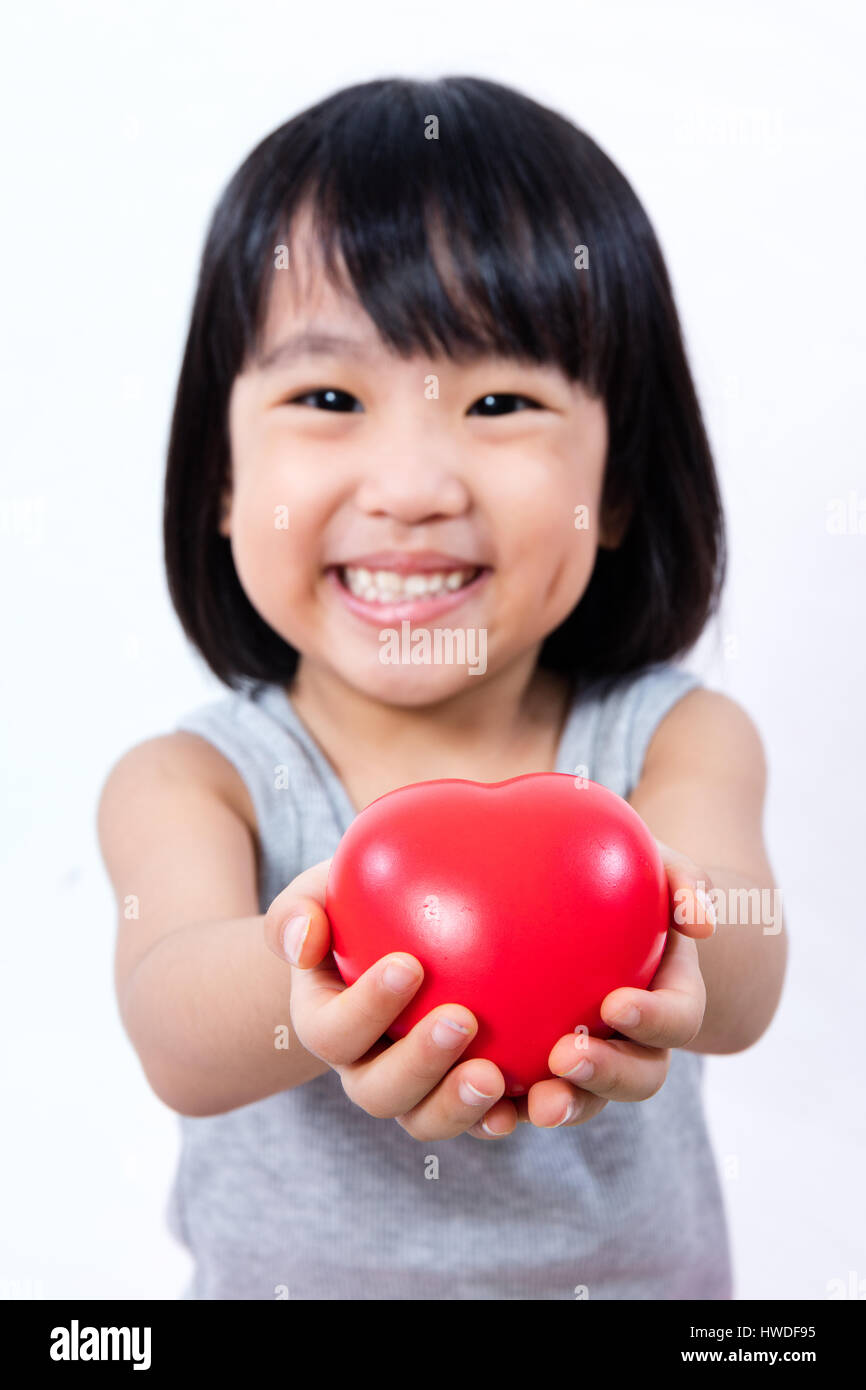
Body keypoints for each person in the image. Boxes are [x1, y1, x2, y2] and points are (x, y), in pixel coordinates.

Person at [97, 75, 787, 1300]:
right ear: (217, 476)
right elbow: (172, 1029)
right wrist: (314, 975)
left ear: (617, 485)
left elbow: (747, 952)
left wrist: (664, 923)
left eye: (498, 401)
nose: (412, 483)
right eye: (325, 398)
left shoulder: (671, 736)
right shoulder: (199, 780)